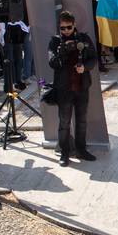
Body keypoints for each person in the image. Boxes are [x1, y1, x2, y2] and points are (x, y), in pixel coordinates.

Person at [47, 10, 99, 166]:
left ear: (74, 25)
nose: (66, 31)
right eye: (62, 28)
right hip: (64, 88)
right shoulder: (55, 42)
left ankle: (81, 150)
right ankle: (65, 152)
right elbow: (52, 63)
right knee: (64, 122)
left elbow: (93, 58)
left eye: (68, 27)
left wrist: (85, 67)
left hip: (82, 86)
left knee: (82, 121)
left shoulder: (83, 38)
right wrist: (63, 51)